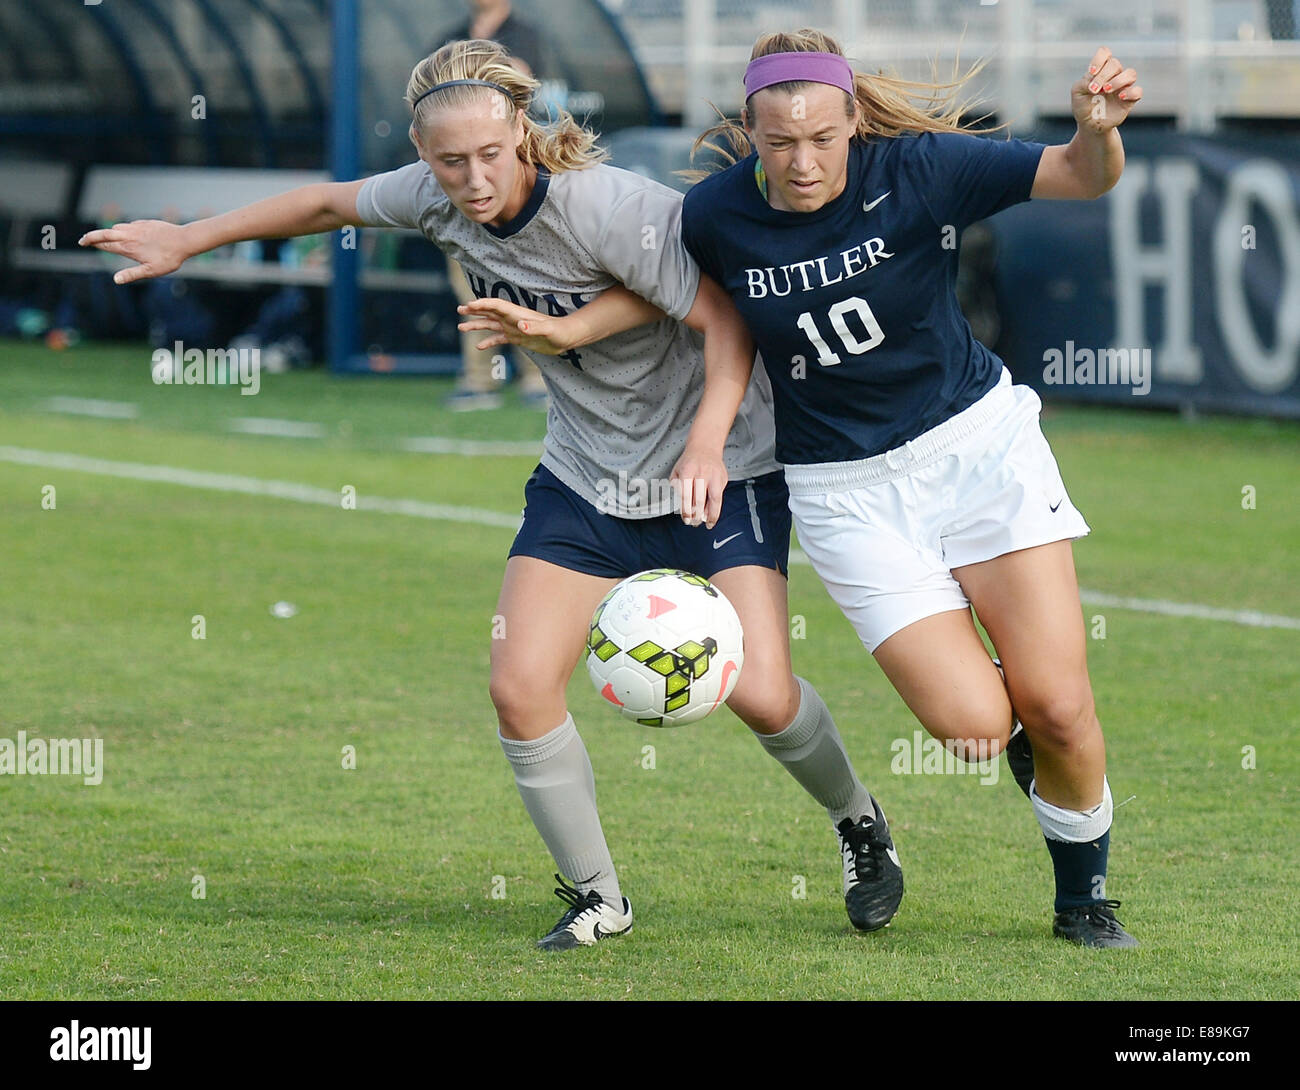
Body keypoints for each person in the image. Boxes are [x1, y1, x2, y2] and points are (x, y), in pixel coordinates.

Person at [79, 38, 903, 950]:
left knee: (761, 695)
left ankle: (859, 821)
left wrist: (673, 418)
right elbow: (322, 200)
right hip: (586, 476)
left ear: (524, 130)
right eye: (447, 161)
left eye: (488, 155)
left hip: (716, 469)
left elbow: (719, 312)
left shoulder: (608, 204)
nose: (471, 179)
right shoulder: (432, 195)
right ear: (424, 157)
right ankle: (599, 897)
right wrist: (187, 238)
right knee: (518, 688)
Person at [671, 29, 1143, 948]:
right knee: (974, 726)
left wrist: (1099, 131)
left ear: (854, 119)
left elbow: (1083, 176)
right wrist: (702, 438)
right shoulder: (714, 217)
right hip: (845, 492)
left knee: (1057, 706)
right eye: (778, 143)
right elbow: (720, 323)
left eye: (821, 138)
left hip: (977, 450)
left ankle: (1083, 899)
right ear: (750, 133)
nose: (802, 162)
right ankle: (1011, 746)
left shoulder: (922, 169)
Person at [431, 0, 550, 410]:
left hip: (513, 181)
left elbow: (516, 81)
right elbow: (433, 103)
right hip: (465, 191)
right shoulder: (449, 36)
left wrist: (465, 75)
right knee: (467, 285)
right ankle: (479, 381)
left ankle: (536, 379)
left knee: (524, 282)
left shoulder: (523, 33)